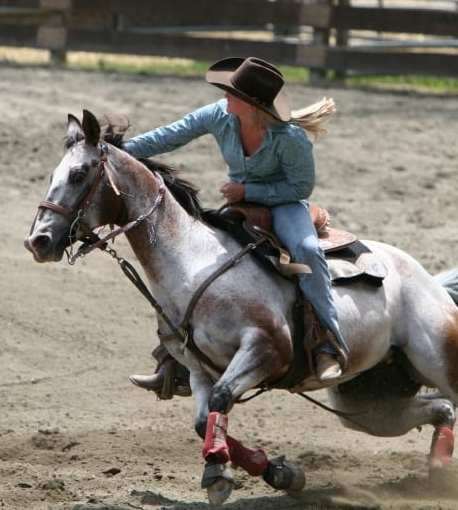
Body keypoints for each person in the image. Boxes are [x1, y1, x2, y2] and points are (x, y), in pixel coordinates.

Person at [124, 56, 349, 396]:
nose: (224, 96)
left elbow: (300, 188)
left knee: (307, 249)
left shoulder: (290, 138)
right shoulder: (219, 115)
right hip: (240, 206)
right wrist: (117, 150)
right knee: (192, 260)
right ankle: (175, 360)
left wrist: (249, 192)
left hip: (284, 205)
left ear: (252, 105)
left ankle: (328, 345)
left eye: (232, 92)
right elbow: (171, 135)